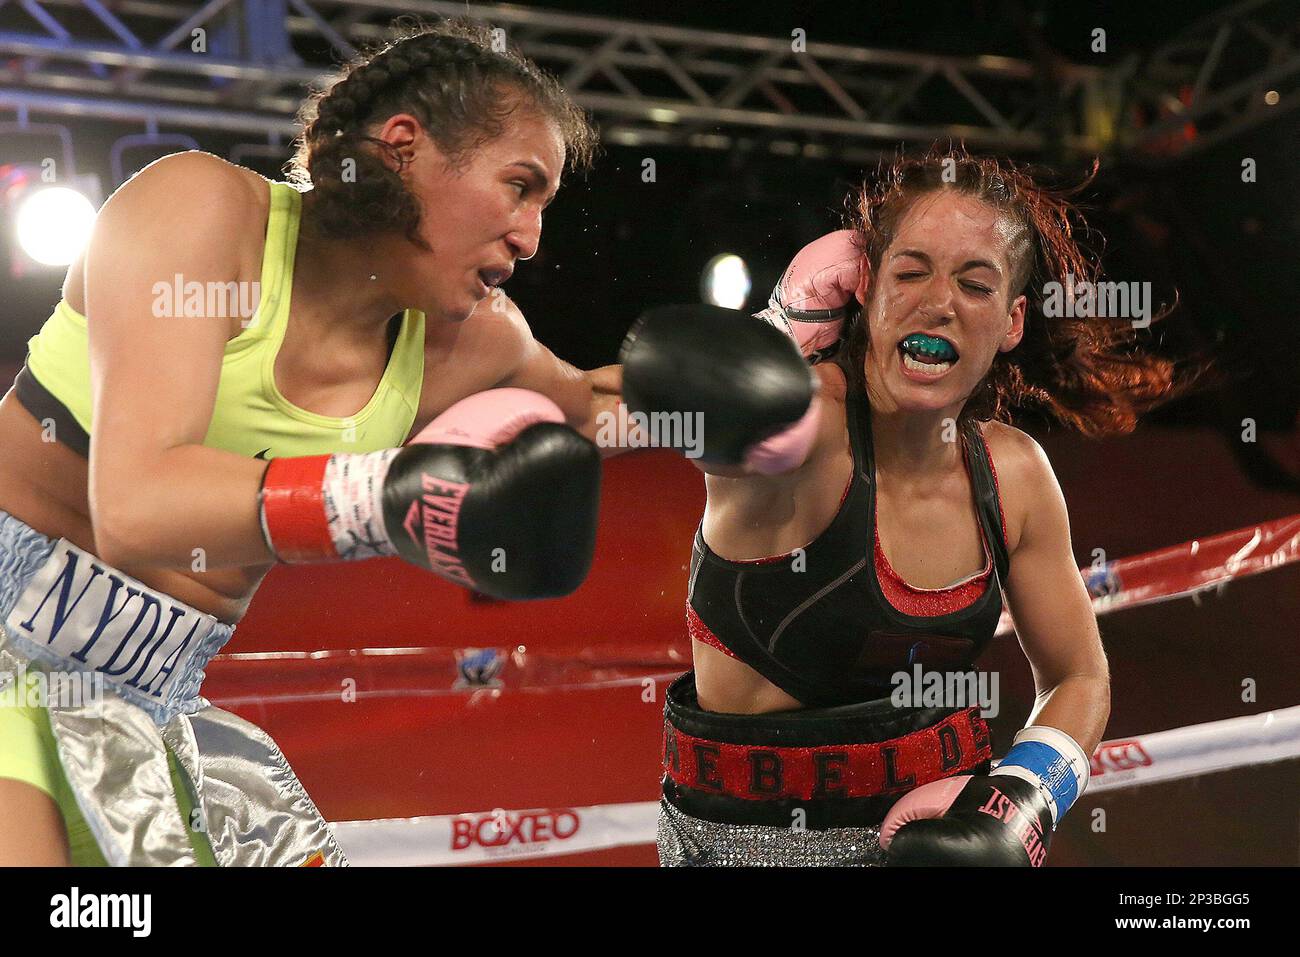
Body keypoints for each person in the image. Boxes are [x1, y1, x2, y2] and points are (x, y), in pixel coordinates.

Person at [0, 19, 620, 866]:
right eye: (520, 186)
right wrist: (387, 495)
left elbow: (596, 413)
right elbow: (138, 507)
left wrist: (785, 355)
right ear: (404, 148)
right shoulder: (203, 211)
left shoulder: (471, 340)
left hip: (157, 691)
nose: (530, 236)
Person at [625, 146, 1210, 866]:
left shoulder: (1014, 473)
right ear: (864, 292)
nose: (938, 301)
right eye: (910, 271)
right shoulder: (804, 424)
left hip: (942, 840)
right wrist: (775, 331)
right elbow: (644, 394)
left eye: (975, 283)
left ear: (1014, 320)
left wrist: (1026, 796)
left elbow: (1079, 676)